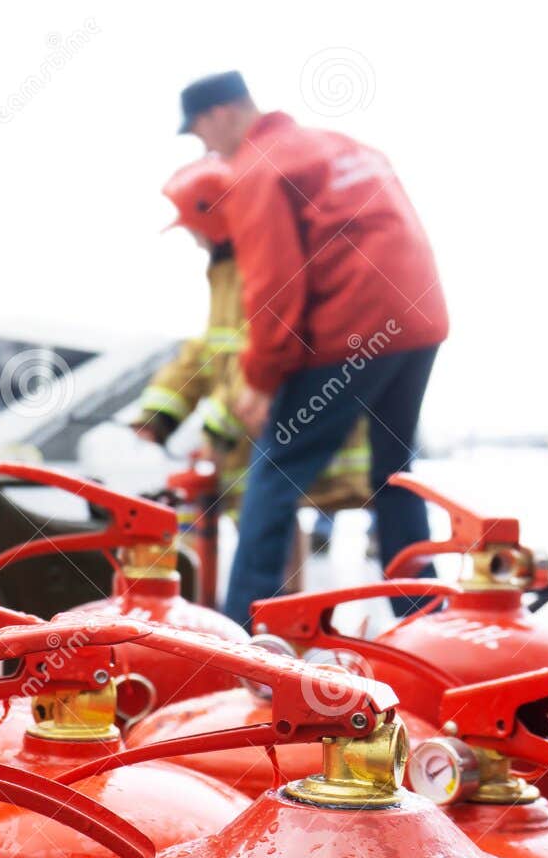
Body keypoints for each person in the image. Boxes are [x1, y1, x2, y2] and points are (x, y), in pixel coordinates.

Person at [176, 71, 447, 627]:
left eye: (201, 133)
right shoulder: (343, 147)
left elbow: (274, 285)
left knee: (274, 472)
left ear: (221, 113)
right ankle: (426, 623)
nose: (207, 149)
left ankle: (242, 635)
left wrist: (260, 377)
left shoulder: (257, 167)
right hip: (419, 323)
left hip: (354, 328)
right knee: (394, 476)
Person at [140, 157, 369, 586]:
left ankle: (274, 621)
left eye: (193, 229)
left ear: (213, 219)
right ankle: (274, 618)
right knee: (268, 527)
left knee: (270, 528)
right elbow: (210, 352)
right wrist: (158, 415)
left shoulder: (256, 266)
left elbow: (262, 355)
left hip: (262, 426)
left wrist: (216, 430)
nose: (195, 241)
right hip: (247, 433)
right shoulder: (227, 271)